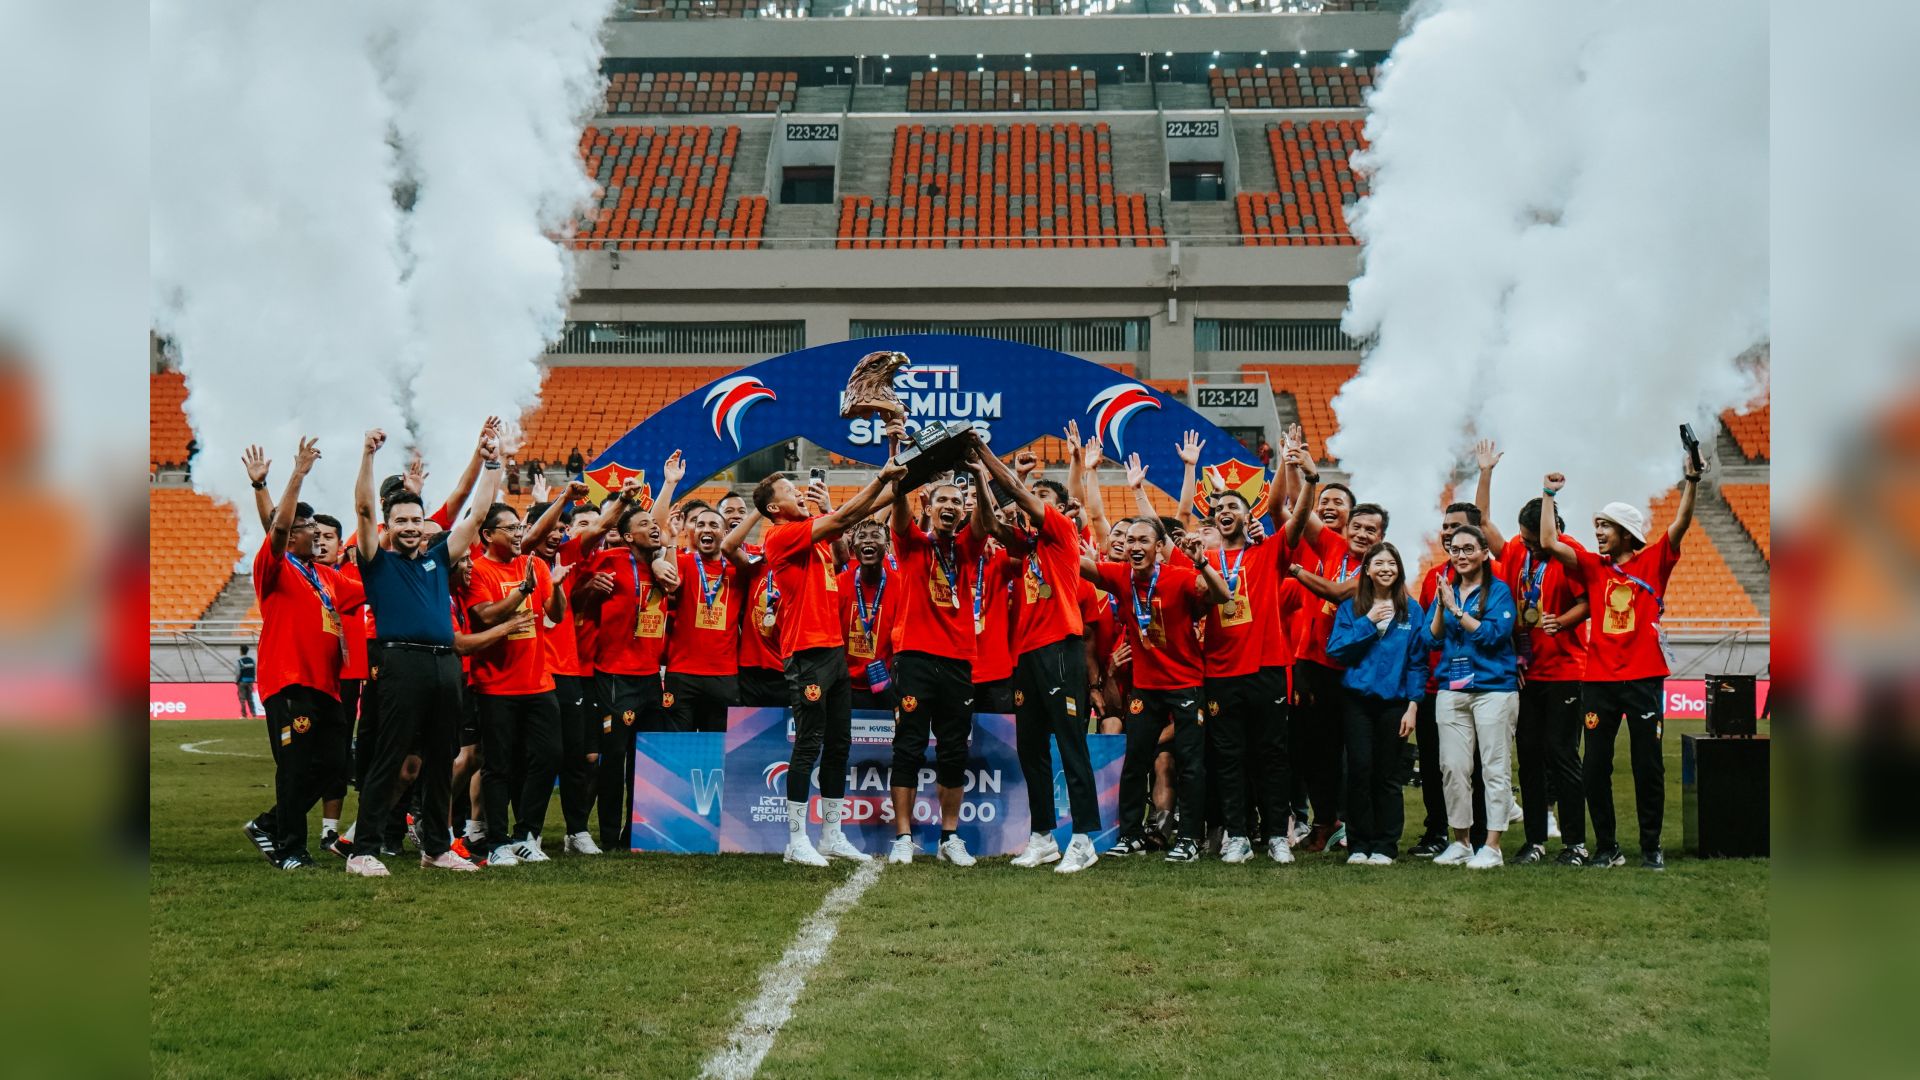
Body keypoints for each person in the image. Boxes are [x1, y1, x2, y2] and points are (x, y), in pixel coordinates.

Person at [345, 424, 504, 876]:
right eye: (402, 521)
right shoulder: (377, 561)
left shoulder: (439, 558)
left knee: (440, 759)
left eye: (416, 520)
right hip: (400, 663)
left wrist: (491, 461)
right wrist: (368, 455)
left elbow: (477, 515)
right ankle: (363, 850)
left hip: (445, 666)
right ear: (388, 527)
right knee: (389, 756)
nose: (411, 527)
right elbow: (360, 506)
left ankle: (435, 847)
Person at [1539, 456, 1700, 871]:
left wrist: (1691, 480)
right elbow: (1550, 544)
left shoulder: (1654, 562)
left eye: (1605, 527)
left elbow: (1680, 524)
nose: (1598, 534)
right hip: (1598, 681)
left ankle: (1651, 848)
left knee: (1648, 766)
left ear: (1627, 534)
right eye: (1596, 527)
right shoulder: (1594, 568)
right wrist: (1548, 495)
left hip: (1644, 678)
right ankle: (1608, 848)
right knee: (1594, 768)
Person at [756, 442, 905, 867]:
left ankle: (832, 836)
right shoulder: (781, 536)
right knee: (809, 745)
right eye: (789, 490)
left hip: (834, 652)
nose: (799, 493)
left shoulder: (815, 538)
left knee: (839, 744)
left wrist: (904, 479)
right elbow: (842, 517)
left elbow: (852, 518)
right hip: (806, 654)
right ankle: (796, 839)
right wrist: (881, 477)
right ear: (773, 509)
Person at [971, 449, 1103, 873]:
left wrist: (983, 452)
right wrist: (978, 476)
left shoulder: (1062, 533)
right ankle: (1043, 836)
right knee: (1031, 748)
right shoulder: (1026, 549)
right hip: (1025, 655)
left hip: (1059, 648)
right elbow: (991, 523)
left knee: (1070, 745)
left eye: (1041, 495)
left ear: (1058, 509)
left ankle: (1083, 838)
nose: (1031, 499)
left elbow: (1013, 490)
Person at [239, 437, 363, 870]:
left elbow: (372, 589)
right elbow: (275, 528)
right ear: (294, 535)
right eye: (311, 528)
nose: (319, 534)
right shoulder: (273, 569)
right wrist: (293, 476)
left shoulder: (326, 577)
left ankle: (269, 825)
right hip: (289, 681)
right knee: (294, 768)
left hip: (327, 687)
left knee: (334, 768)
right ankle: (291, 849)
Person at [1083, 518, 1230, 863]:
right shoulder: (1121, 577)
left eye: (1143, 540)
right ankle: (1131, 834)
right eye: (1130, 540)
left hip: (1185, 684)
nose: (1135, 546)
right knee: (1134, 760)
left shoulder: (1180, 578)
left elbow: (1223, 595)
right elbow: (1080, 566)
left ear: (1159, 547)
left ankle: (1190, 838)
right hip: (1145, 688)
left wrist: (1202, 562)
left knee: (1191, 765)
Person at [884, 473, 989, 867]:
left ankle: (949, 837)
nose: (949, 506)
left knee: (953, 751)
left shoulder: (967, 546)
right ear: (928, 507)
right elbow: (897, 513)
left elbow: (986, 521)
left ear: (963, 512)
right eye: (942, 500)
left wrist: (978, 474)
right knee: (908, 747)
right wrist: (901, 480)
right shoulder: (912, 543)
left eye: (956, 502)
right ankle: (903, 838)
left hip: (959, 660)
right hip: (914, 658)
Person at [1482, 492, 1592, 865]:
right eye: (1525, 539)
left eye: (1534, 539)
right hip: (1528, 673)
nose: (1528, 545)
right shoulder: (1518, 550)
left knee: (1561, 755)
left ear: (1554, 530)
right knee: (1527, 757)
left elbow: (1589, 602)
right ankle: (1535, 841)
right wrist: (1486, 473)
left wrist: (1562, 622)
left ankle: (1575, 844)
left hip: (1565, 670)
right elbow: (1484, 525)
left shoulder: (1569, 553)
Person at [460, 501, 568, 866]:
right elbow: (484, 617)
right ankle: (498, 842)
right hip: (496, 685)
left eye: (520, 528)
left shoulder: (535, 563)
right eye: (511, 529)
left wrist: (557, 586)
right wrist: (522, 590)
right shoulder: (477, 571)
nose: (519, 534)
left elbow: (554, 614)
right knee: (498, 766)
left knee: (550, 755)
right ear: (488, 535)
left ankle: (526, 834)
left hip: (539, 681)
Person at [573, 503, 680, 853]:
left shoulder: (660, 564)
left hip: (651, 677)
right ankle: (608, 835)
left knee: (645, 760)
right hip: (615, 675)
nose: (653, 527)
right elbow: (577, 599)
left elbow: (675, 589)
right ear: (627, 535)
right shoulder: (612, 558)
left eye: (655, 523)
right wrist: (592, 587)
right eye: (644, 524)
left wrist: (669, 548)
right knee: (614, 758)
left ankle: (637, 833)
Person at [1327, 542, 1427, 865]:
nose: (1386, 569)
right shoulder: (1352, 608)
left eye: (1391, 563)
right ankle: (1359, 843)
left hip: (1395, 705)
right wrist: (1368, 621)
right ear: (1367, 570)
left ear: (1398, 569)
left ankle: (1385, 845)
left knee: (1387, 774)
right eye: (1379, 563)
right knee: (1358, 769)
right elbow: (1337, 650)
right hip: (1356, 702)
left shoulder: (1412, 611)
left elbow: (1417, 663)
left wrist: (1413, 707)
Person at [1427, 525, 1521, 869]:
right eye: (1455, 549)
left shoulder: (1497, 592)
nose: (1461, 555)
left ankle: (1492, 846)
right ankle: (1462, 842)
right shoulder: (1447, 590)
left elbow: (1495, 635)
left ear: (1484, 553)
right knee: (1452, 767)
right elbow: (1431, 639)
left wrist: (1455, 610)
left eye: (1469, 549)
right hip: (1452, 689)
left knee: (1494, 768)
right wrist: (1442, 605)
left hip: (1494, 688)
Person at [839, 519, 900, 713]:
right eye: (862, 537)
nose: (868, 541)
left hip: (886, 684)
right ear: (853, 546)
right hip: (843, 684)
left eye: (875, 536)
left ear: (887, 546)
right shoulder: (838, 584)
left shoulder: (901, 586)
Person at [235, 645, 257, 719]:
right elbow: (254, 672)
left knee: (242, 699)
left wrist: (236, 681)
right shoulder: (252, 660)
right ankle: (254, 714)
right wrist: (252, 680)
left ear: (241, 651)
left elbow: (238, 673)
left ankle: (244, 715)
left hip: (242, 682)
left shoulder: (240, 661)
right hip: (250, 681)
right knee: (250, 699)